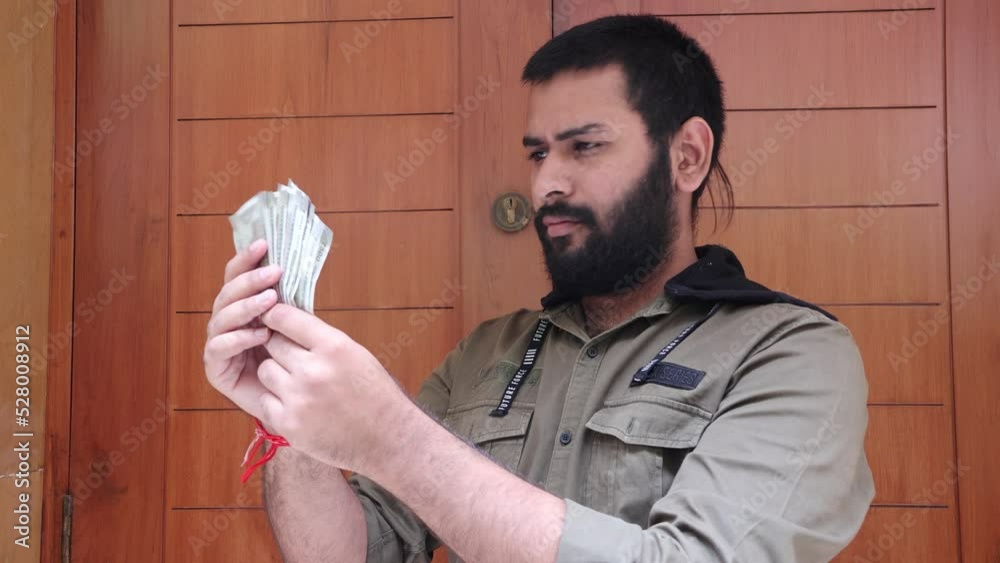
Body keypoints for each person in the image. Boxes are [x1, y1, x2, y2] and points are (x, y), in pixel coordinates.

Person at [203, 14, 874, 563]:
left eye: (584, 147)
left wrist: (393, 439)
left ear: (687, 156)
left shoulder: (795, 354)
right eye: (537, 153)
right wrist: (282, 414)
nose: (547, 182)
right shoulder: (485, 353)